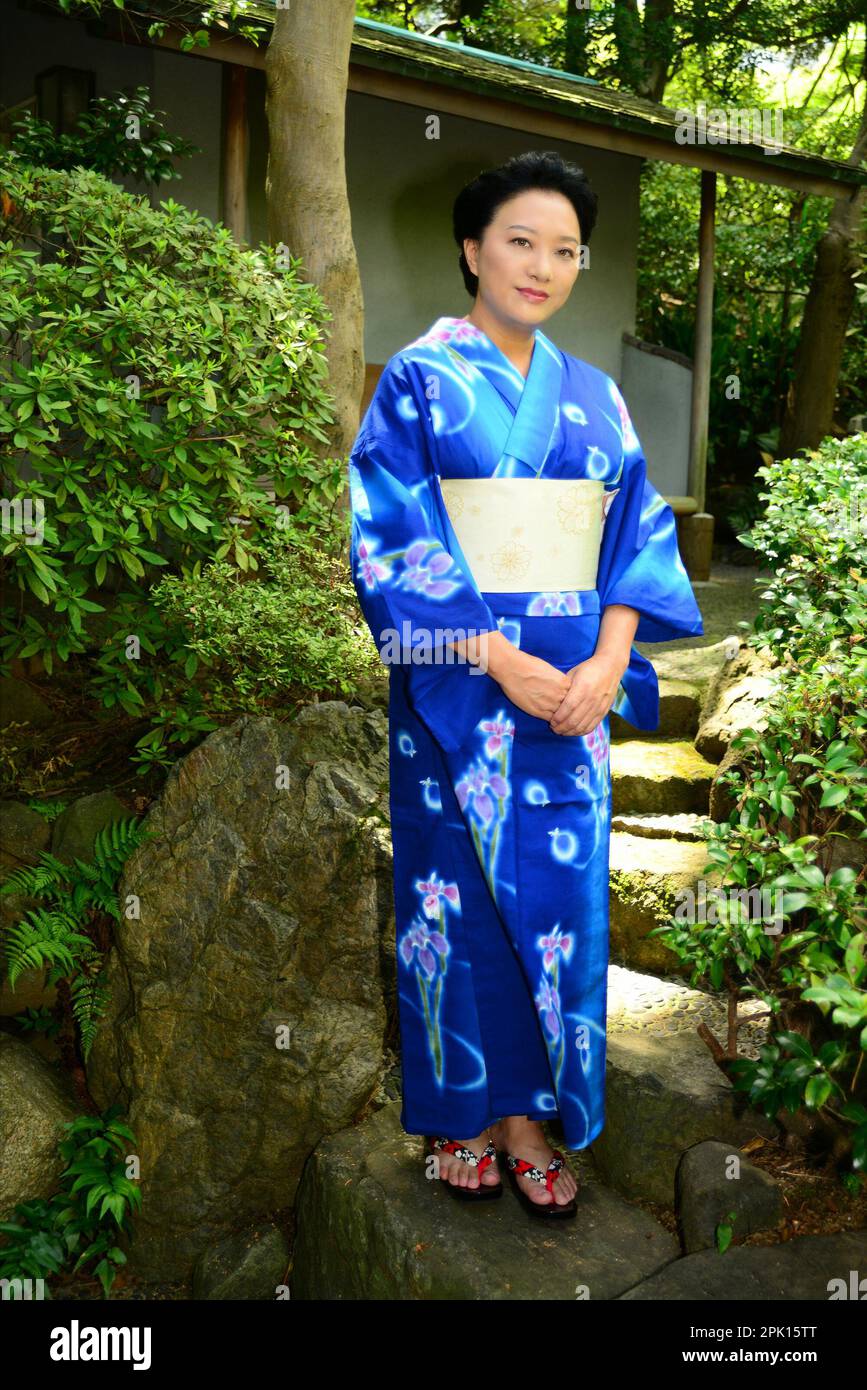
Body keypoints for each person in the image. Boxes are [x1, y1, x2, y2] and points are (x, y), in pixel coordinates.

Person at [347, 150, 704, 1218]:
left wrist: (604, 663)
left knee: (559, 905)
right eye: (519, 240)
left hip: (572, 704)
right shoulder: (415, 380)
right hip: (458, 691)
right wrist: (496, 656)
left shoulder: (596, 398)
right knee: (453, 908)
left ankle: (530, 1117)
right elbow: (391, 538)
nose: (543, 265)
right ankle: (465, 1114)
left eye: (565, 250)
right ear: (471, 248)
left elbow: (639, 534)